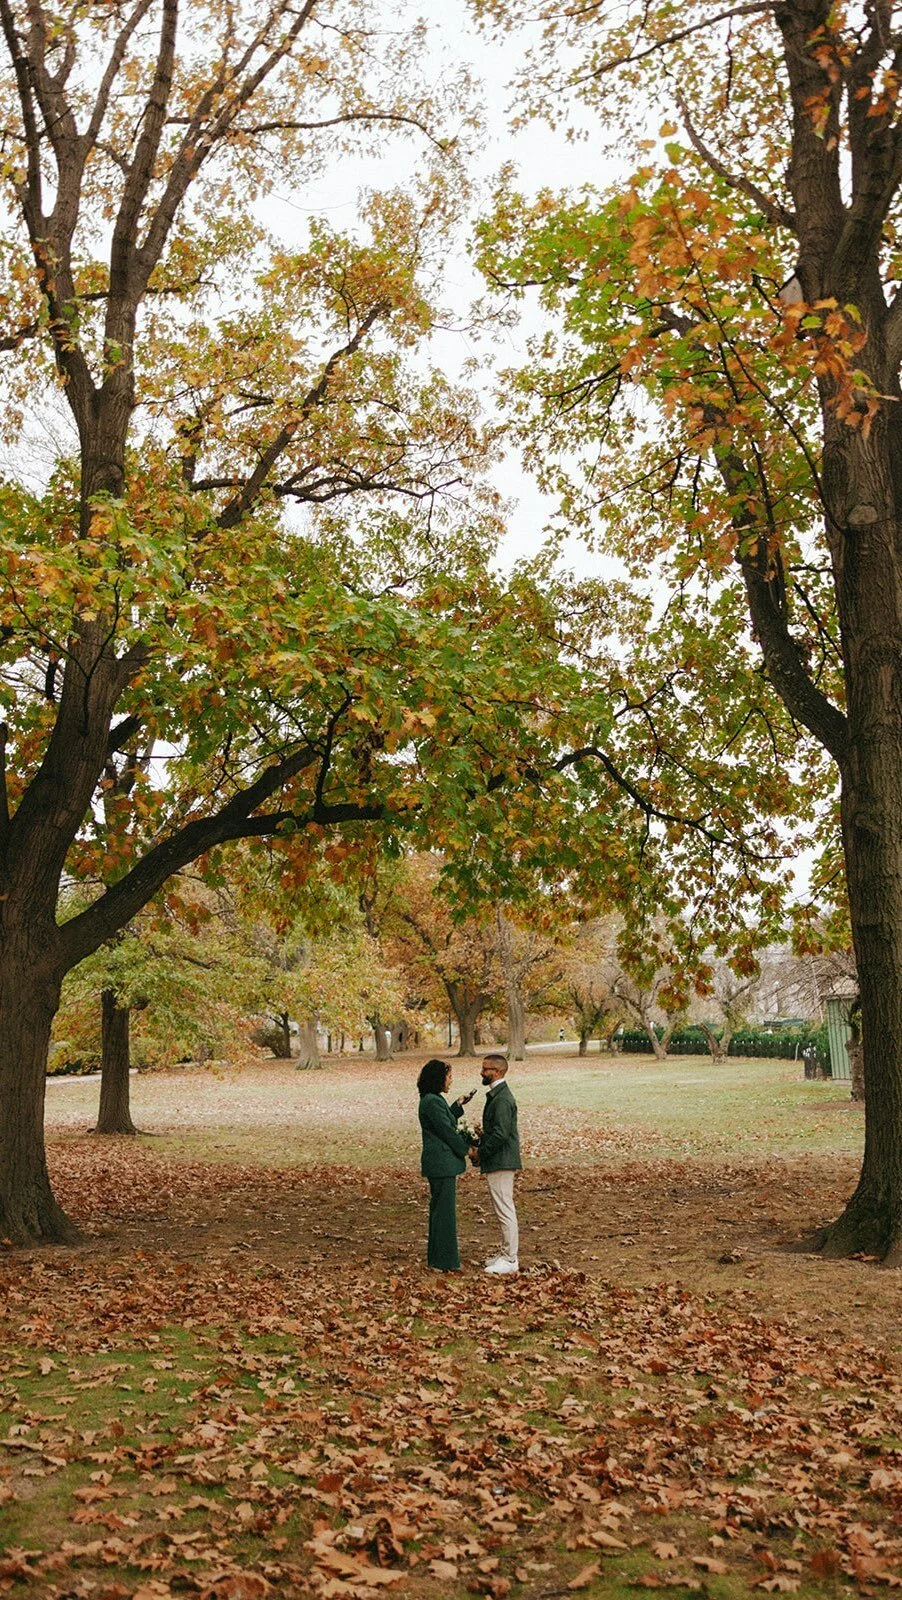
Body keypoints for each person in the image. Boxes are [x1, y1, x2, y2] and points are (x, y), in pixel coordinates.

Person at [416, 1058, 476, 1272]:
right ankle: (445, 1260)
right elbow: (447, 1131)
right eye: (449, 1077)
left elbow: (445, 1119)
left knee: (441, 1211)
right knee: (444, 1213)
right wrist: (467, 1149)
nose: (451, 1081)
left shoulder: (434, 1099)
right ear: (438, 1079)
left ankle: (439, 1258)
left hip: (441, 1164)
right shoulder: (432, 1101)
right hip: (441, 1164)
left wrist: (458, 1105)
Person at [471, 1053, 522, 1275]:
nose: (482, 1072)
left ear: (498, 1072)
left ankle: (510, 1259)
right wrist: (484, 1134)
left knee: (505, 1209)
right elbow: (499, 1130)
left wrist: (481, 1152)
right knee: (502, 1208)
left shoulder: (502, 1098)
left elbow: (502, 1134)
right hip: (499, 1159)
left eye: (486, 1069)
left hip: (501, 1160)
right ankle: (505, 1253)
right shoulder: (497, 1095)